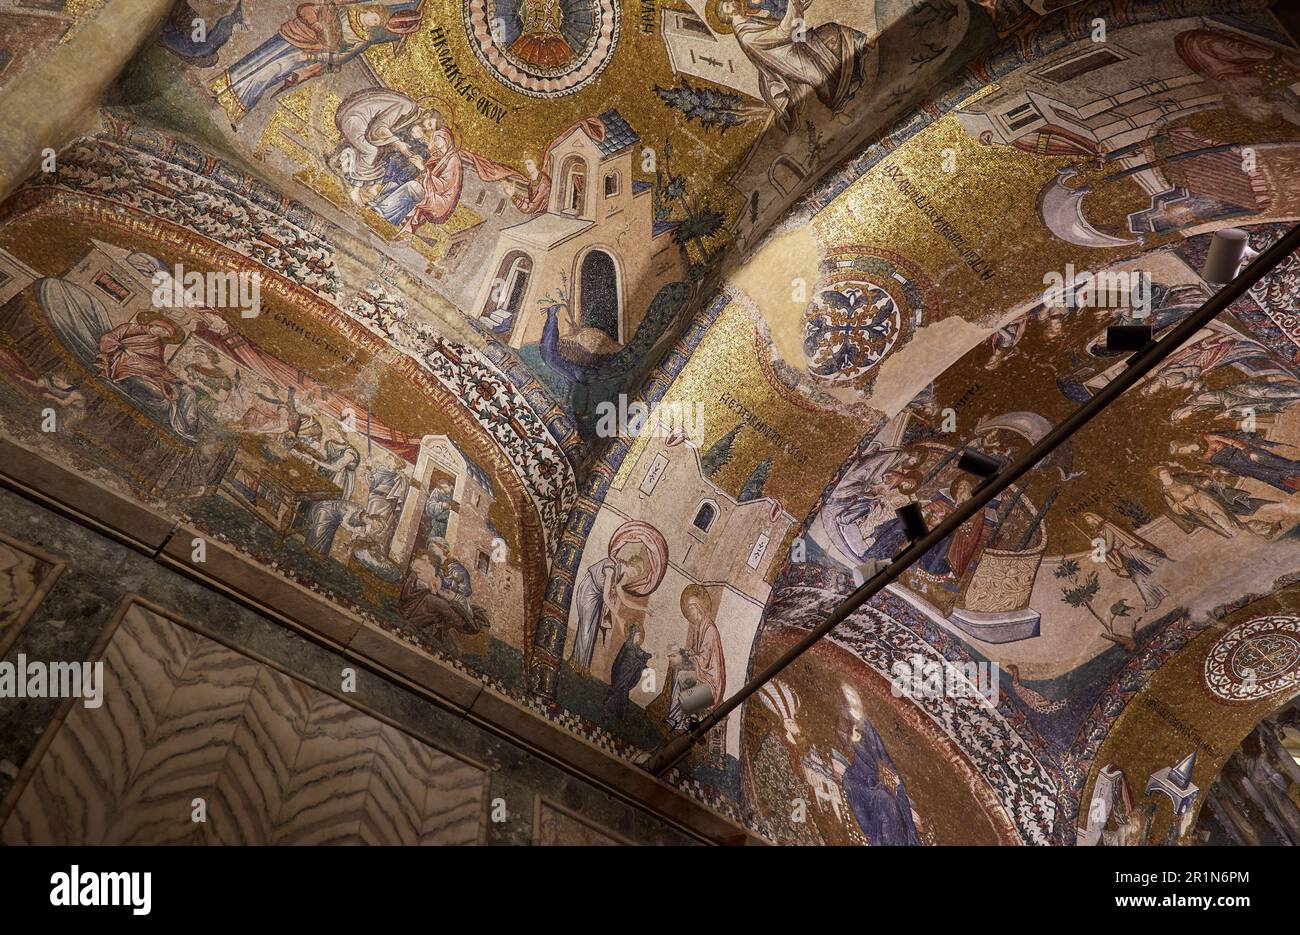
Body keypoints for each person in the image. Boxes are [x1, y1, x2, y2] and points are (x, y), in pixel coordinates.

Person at [210, 2, 424, 125]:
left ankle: (239, 103)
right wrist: (318, 24)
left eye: (376, 22)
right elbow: (317, 10)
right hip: (298, 34)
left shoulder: (363, 39)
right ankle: (224, 84)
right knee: (261, 58)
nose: (371, 22)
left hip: (307, 54)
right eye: (373, 17)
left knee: (272, 72)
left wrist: (313, 58)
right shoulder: (345, 9)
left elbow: (339, 57)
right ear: (369, 10)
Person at [712, 0, 870, 132]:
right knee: (821, 77)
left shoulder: (749, 23)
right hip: (789, 58)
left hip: (796, 44)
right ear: (725, 16)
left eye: (729, 1)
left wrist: (799, 7)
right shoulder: (746, 36)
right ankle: (842, 108)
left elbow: (790, 30)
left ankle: (864, 53)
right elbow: (782, 33)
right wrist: (794, 4)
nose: (732, 2)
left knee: (831, 31)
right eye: (727, 5)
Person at [570, 521, 668, 676]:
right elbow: (606, 597)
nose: (633, 576)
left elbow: (623, 599)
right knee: (586, 627)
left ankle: (583, 666)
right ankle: (576, 662)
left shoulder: (621, 576)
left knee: (592, 630)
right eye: (635, 572)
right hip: (588, 590)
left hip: (596, 595)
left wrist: (644, 608)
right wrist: (619, 618)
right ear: (631, 565)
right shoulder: (612, 566)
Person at [665, 585, 726, 730]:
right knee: (678, 672)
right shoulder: (698, 627)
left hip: (711, 682)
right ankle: (675, 718)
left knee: (681, 676)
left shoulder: (710, 629)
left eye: (690, 610)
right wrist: (687, 653)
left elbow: (704, 659)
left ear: (698, 608)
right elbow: (695, 651)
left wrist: (691, 656)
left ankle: (680, 718)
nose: (689, 614)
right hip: (702, 673)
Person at [1080, 512, 1169, 611]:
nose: (1087, 521)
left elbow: (1109, 547)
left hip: (1132, 550)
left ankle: (1179, 571)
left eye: (1088, 518)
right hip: (1124, 555)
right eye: (1086, 520)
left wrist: (1095, 553)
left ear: (1094, 517)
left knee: (1154, 562)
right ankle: (1154, 598)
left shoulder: (1107, 527)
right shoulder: (1100, 531)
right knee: (1138, 578)